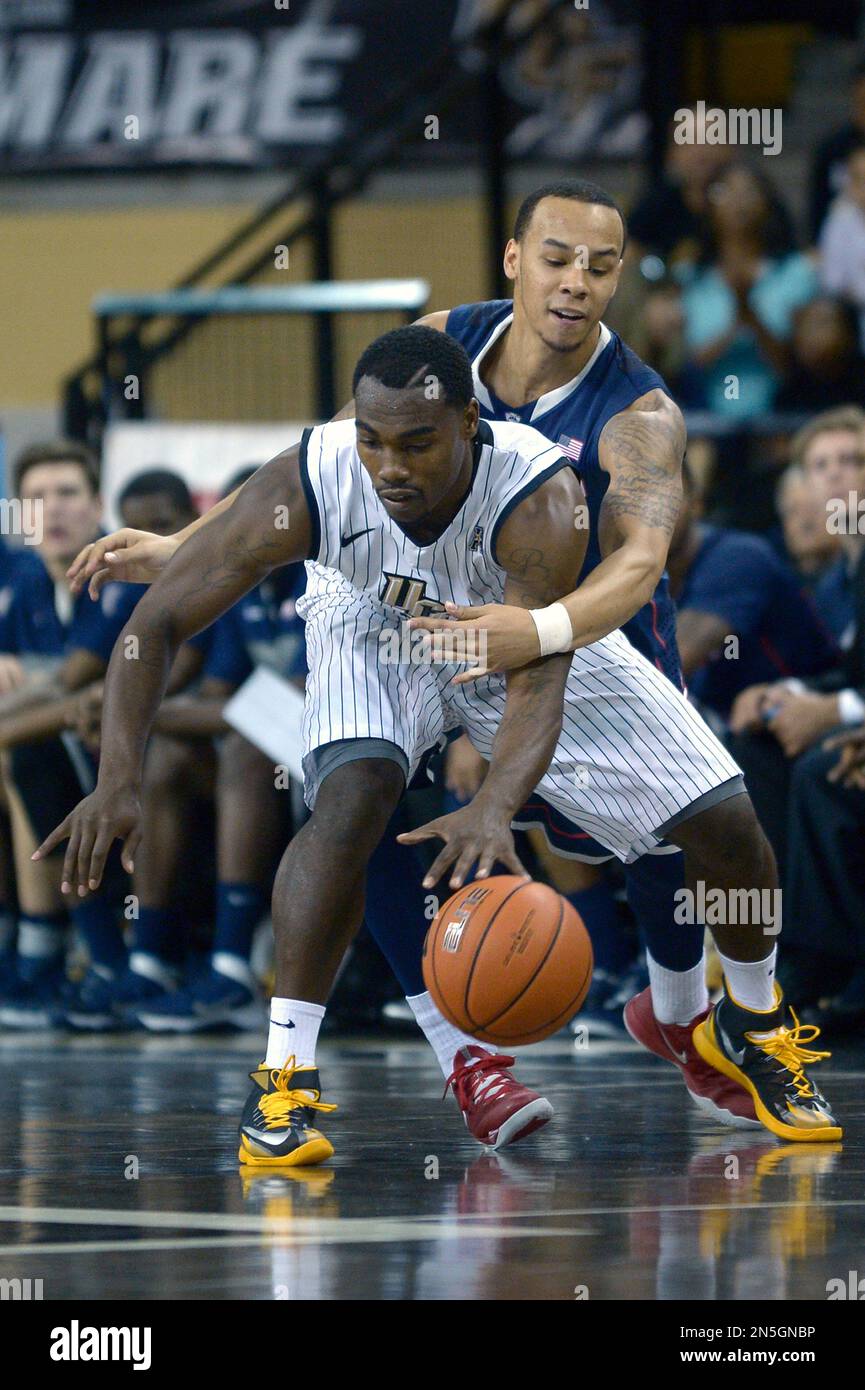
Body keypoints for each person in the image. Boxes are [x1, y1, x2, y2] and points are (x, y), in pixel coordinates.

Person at [40, 327, 840, 1158]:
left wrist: (495, 805)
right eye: (373, 440)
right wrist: (117, 779)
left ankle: (750, 1017)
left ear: (468, 422)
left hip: (515, 633)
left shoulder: (538, 494)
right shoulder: (310, 478)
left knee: (721, 815)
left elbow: (539, 679)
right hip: (368, 622)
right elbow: (155, 620)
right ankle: (284, 1081)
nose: (390, 465)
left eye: (417, 442)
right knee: (351, 798)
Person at [666, 462, 839, 726]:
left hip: (810, 713)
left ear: (697, 503)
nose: (648, 513)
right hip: (734, 727)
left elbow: (668, 663)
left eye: (662, 496)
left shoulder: (739, 556)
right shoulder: (643, 577)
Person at [676, 165, 819, 420]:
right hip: (702, 417)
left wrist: (750, 316)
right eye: (726, 191)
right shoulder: (690, 277)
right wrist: (738, 320)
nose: (738, 200)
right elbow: (689, 365)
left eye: (750, 191)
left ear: (768, 203)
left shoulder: (796, 272)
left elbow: (794, 364)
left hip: (786, 413)